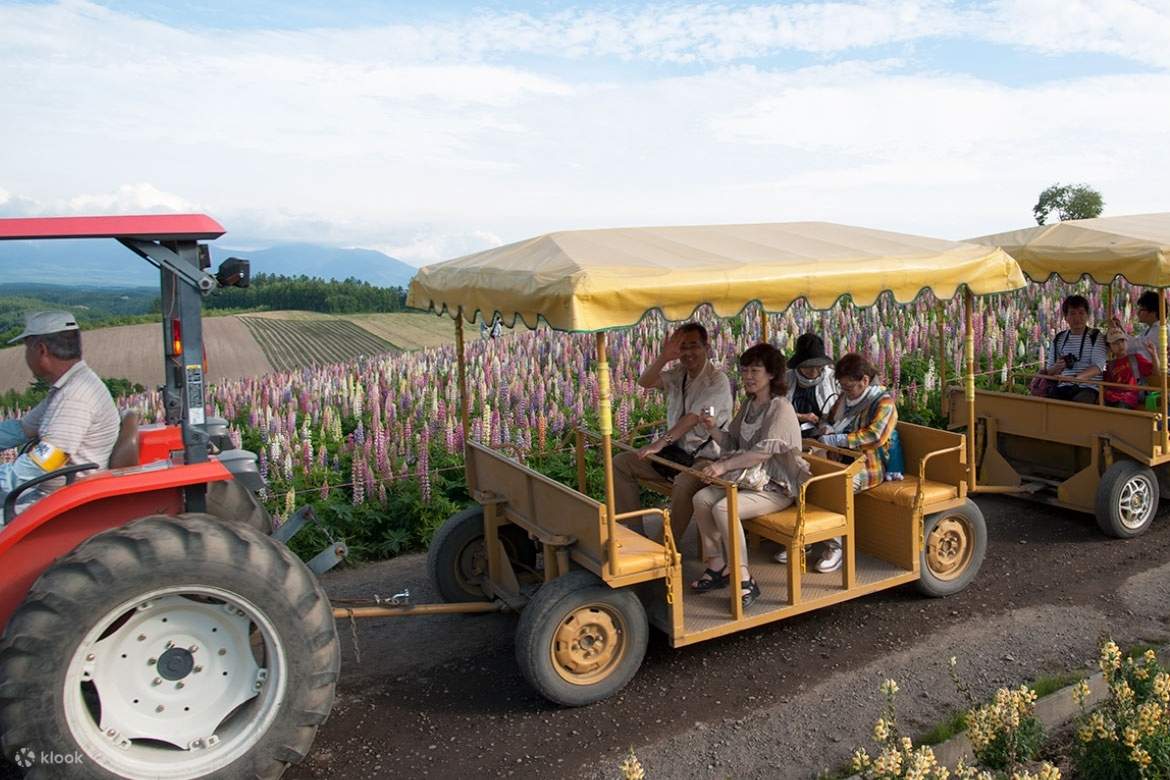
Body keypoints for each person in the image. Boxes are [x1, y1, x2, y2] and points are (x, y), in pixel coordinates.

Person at [689, 344, 810, 609]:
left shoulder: (781, 408)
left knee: (724, 508)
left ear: (771, 374)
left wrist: (721, 468)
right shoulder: (749, 405)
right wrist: (712, 429)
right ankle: (718, 565)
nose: (748, 376)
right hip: (748, 481)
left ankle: (744, 578)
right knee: (701, 499)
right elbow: (732, 442)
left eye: (755, 370)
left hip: (776, 487)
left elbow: (761, 453)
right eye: (744, 370)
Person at [613, 323, 733, 542]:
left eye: (694, 346)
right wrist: (664, 357)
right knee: (622, 462)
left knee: (684, 483)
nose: (688, 353)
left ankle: (663, 547)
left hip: (707, 460)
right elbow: (645, 382)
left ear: (706, 346)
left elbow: (693, 418)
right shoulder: (679, 373)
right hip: (676, 455)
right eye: (682, 347)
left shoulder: (717, 380)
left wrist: (660, 442)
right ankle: (634, 534)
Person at [0, 312, 120, 520]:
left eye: (26, 348)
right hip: (52, 493)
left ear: (41, 350)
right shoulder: (66, 388)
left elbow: (46, 461)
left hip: (60, 500)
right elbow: (22, 429)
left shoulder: (76, 396)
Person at [812, 352, 899, 573]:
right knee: (804, 477)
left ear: (865, 381)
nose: (845, 391)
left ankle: (836, 546)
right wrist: (826, 428)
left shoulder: (884, 401)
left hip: (868, 465)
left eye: (849, 387)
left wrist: (839, 438)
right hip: (836, 459)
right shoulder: (845, 397)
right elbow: (829, 419)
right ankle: (809, 538)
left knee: (832, 487)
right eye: (842, 387)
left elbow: (875, 436)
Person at [1038, 295, 1108, 404]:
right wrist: (1056, 367)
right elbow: (1049, 372)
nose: (1077, 318)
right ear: (1065, 317)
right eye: (1072, 313)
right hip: (1063, 386)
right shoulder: (1059, 338)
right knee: (1048, 405)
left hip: (1089, 388)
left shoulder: (1095, 336)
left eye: (1081, 313)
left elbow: (1098, 367)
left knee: (1078, 405)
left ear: (1087, 315)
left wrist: (1075, 378)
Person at [785, 333, 838, 437]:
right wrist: (799, 417)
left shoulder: (833, 378)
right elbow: (772, 411)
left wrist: (827, 424)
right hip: (790, 435)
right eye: (808, 366)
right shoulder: (785, 379)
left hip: (825, 439)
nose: (813, 371)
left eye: (818, 366)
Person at [1103, 325, 1157, 409]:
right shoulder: (1109, 365)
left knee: (1121, 404)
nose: (1120, 345)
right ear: (1110, 347)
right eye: (1115, 343)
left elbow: (1156, 372)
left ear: (1127, 342)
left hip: (1133, 394)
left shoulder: (1136, 358)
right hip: (1114, 396)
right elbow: (1106, 384)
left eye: (1122, 341)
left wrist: (1154, 355)